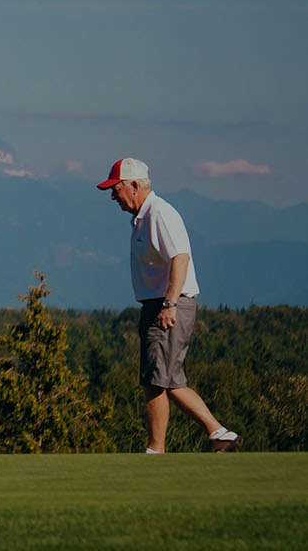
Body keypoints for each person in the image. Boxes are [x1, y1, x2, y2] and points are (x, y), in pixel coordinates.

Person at [97, 157, 240, 453]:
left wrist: (170, 304)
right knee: (165, 380)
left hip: (168, 306)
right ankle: (216, 434)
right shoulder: (143, 218)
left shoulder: (160, 214)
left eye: (116, 189)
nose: (113, 197)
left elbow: (181, 258)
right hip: (157, 305)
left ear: (134, 186)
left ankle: (160, 447)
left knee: (158, 380)